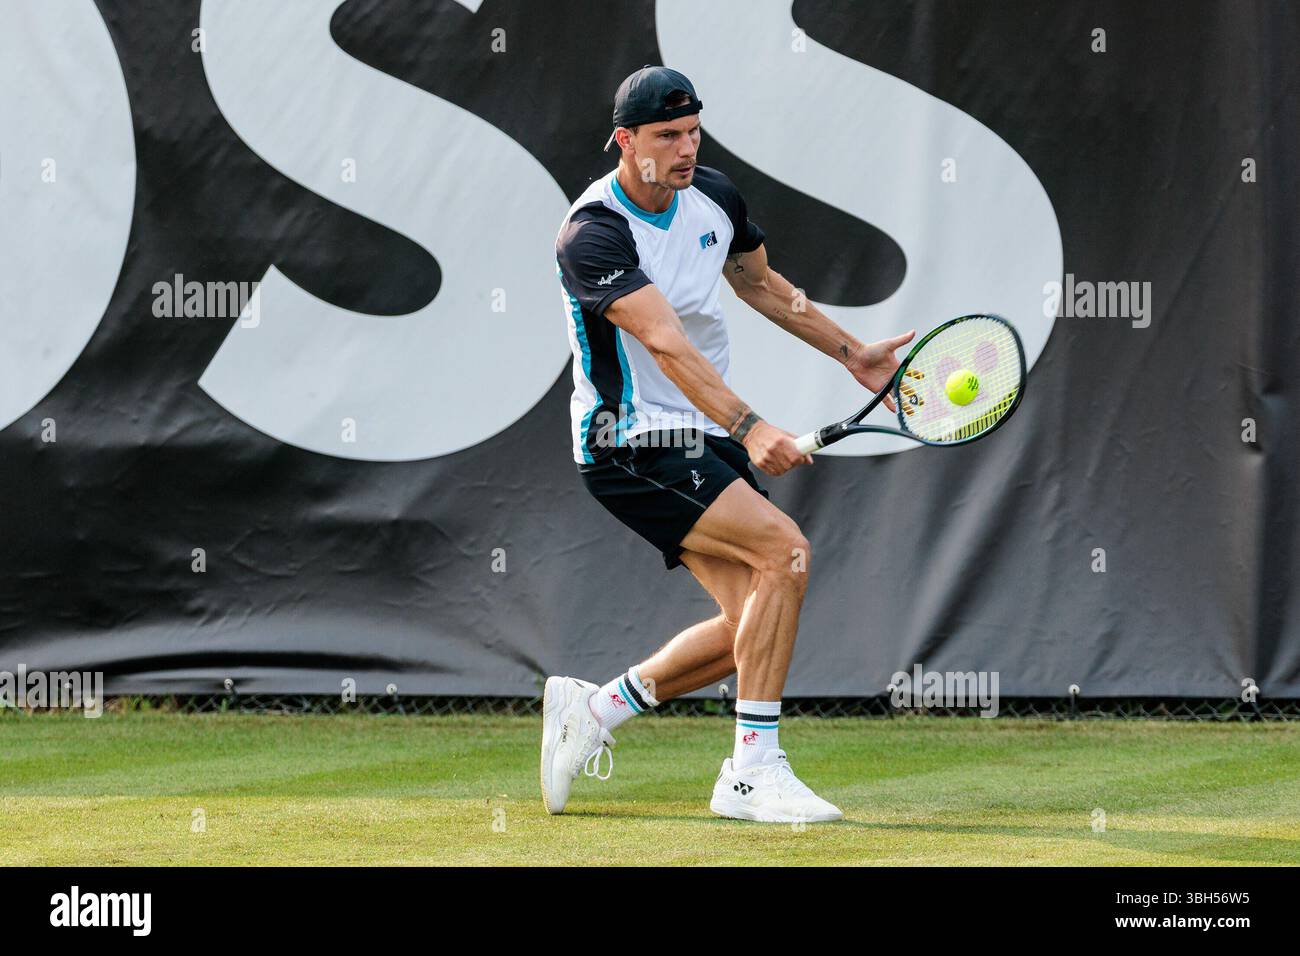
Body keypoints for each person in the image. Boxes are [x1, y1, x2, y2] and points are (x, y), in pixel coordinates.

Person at [542, 66, 913, 822]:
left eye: (693, 132)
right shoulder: (593, 234)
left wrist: (855, 354)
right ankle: (750, 774)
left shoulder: (713, 195)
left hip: (701, 433)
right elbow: (667, 343)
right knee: (786, 553)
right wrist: (754, 427)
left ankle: (598, 709)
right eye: (667, 136)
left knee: (755, 617)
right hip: (628, 440)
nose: (685, 148)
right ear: (625, 141)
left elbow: (764, 286)